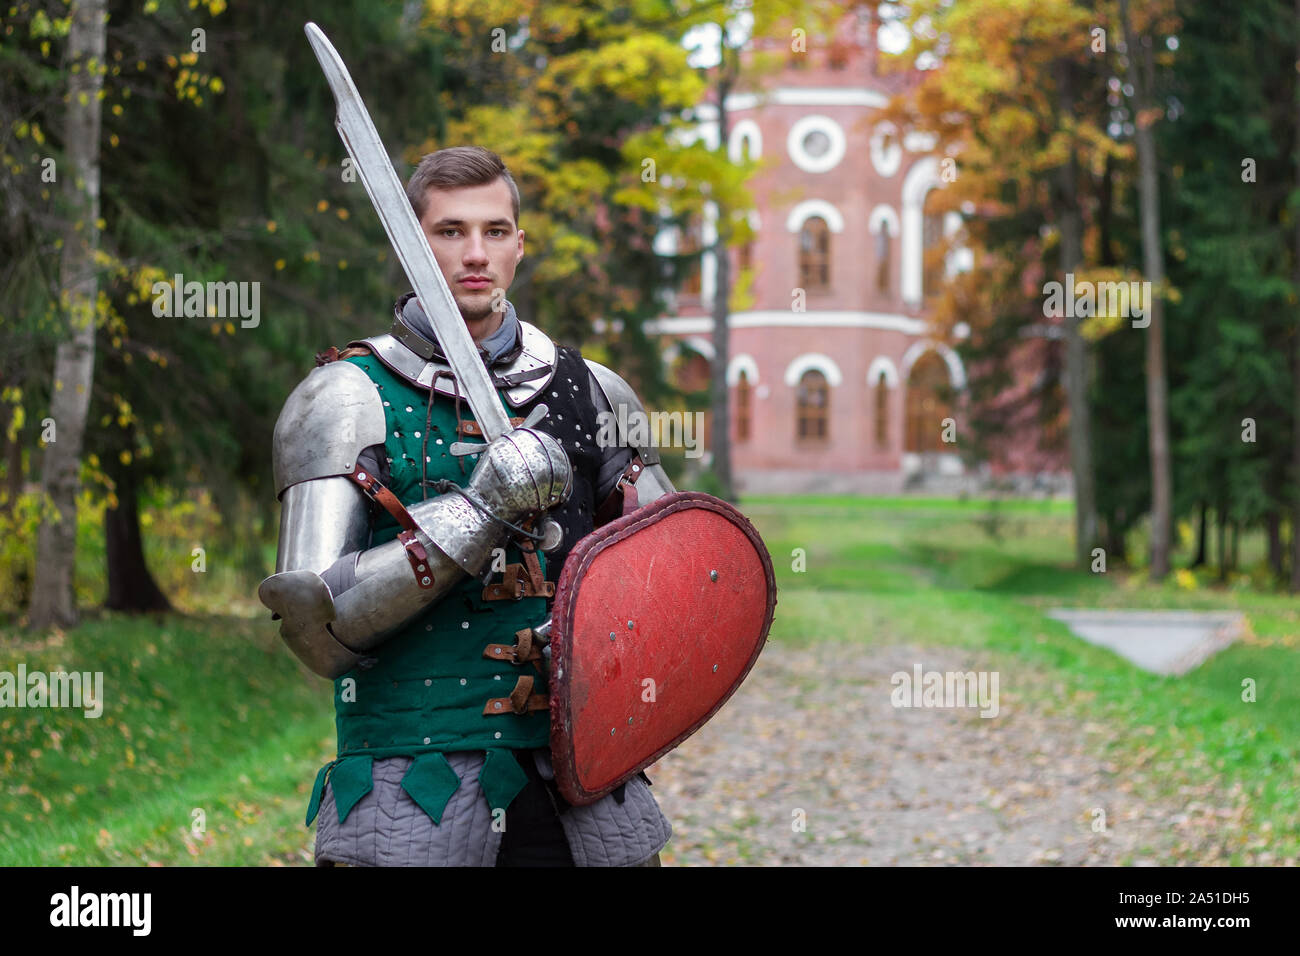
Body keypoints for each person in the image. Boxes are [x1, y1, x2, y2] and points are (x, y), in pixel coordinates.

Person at [258, 145, 675, 866]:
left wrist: (595, 636)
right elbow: (314, 627)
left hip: (581, 784)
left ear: (520, 244)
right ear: (412, 244)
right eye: (449, 232)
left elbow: (667, 581)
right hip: (410, 787)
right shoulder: (345, 396)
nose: (474, 253)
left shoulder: (595, 393)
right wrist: (477, 514)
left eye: (494, 230)